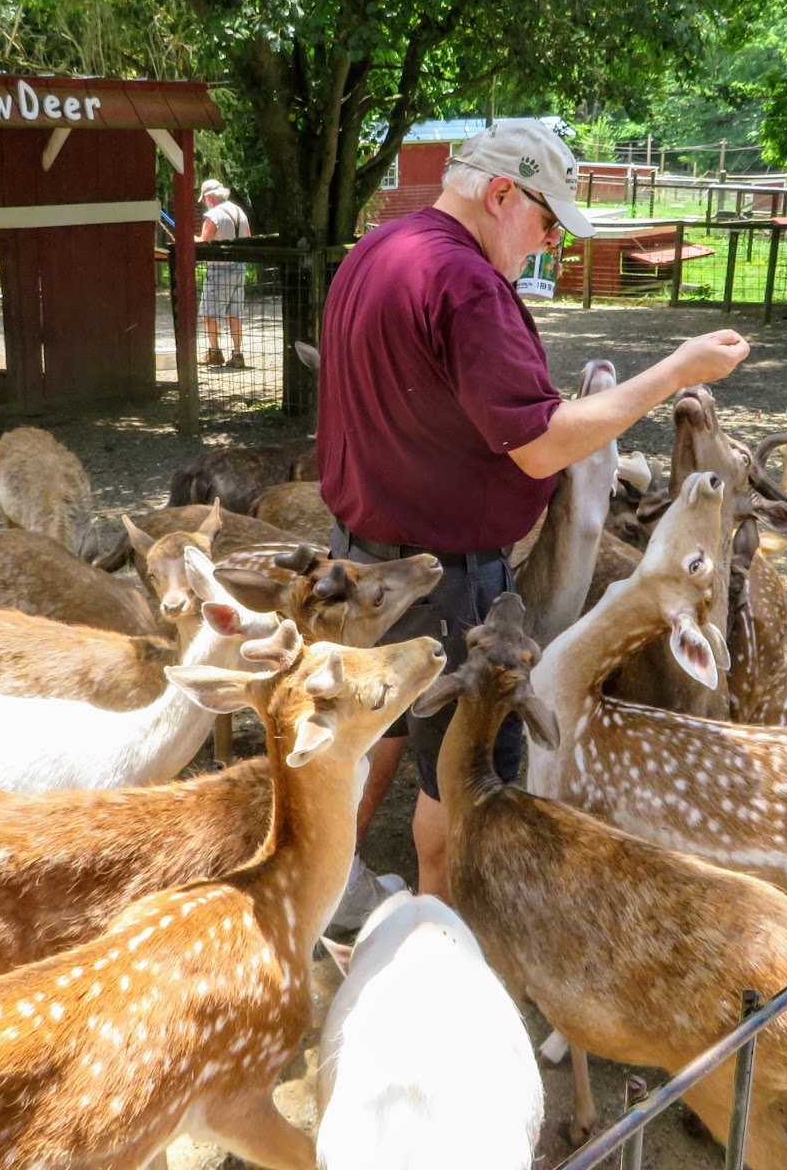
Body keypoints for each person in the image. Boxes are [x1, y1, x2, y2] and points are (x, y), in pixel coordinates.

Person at [315, 118, 751, 916]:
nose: (548, 241)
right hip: (442, 576)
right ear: (502, 192)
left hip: (363, 559)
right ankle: (439, 926)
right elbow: (541, 447)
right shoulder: (467, 283)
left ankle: (334, 885)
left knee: (372, 725)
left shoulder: (378, 252)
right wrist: (677, 370)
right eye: (547, 220)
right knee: (464, 764)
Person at [197, 178, 250, 369]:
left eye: (204, 199)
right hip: (239, 269)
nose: (204, 202)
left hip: (219, 270)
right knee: (234, 314)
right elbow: (248, 239)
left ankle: (215, 352)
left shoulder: (214, 216)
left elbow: (203, 243)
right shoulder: (239, 212)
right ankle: (237, 354)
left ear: (210, 196)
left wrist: (189, 239)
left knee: (209, 314)